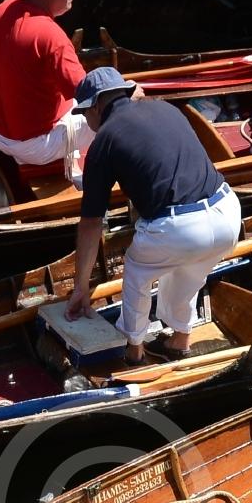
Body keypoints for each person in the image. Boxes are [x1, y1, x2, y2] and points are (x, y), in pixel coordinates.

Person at [64, 67, 242, 362]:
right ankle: (180, 339)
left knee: (137, 271)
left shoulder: (103, 142)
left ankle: (134, 349)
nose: (86, 120)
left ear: (96, 106)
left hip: (181, 228)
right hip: (228, 212)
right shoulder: (166, 108)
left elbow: (91, 223)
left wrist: (82, 287)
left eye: (85, 114)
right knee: (190, 270)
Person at [0, 0, 92, 184]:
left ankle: (68, 159)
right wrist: (128, 94)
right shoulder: (52, 36)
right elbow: (86, 93)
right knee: (111, 110)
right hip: (35, 145)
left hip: (0, 136)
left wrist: (9, 0)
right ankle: (106, 175)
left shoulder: (4, 9)